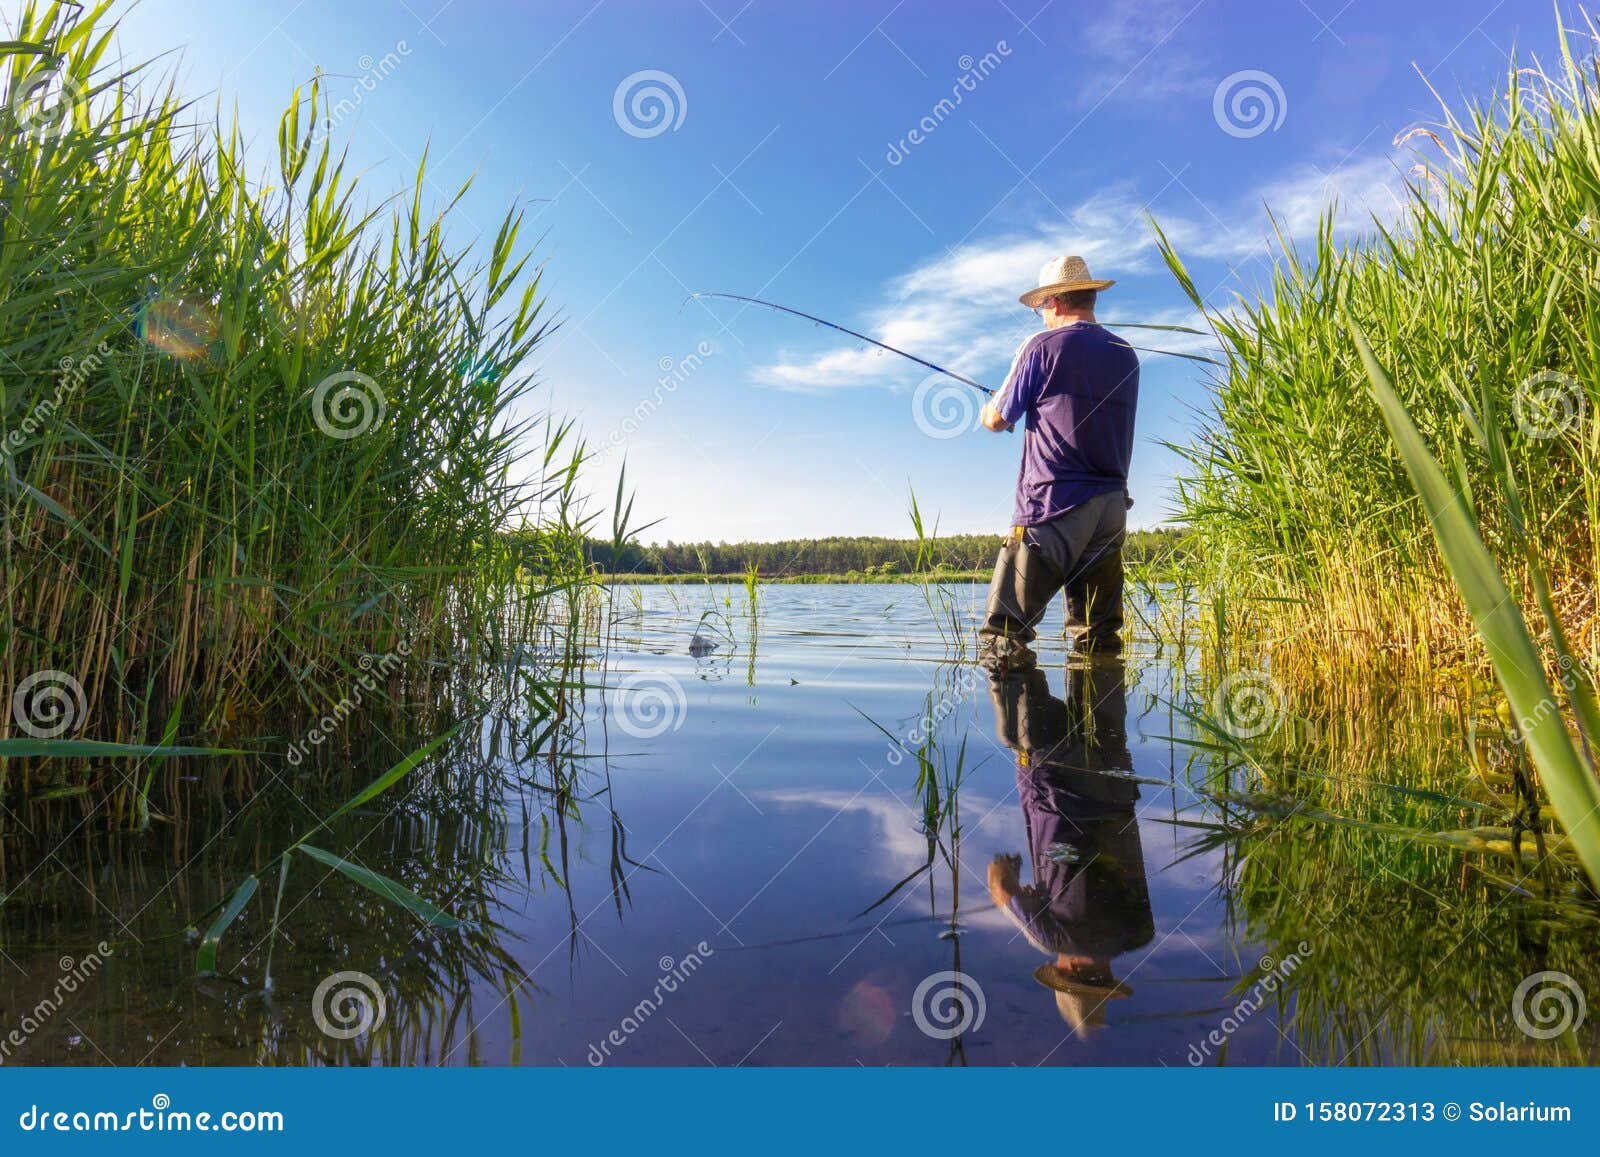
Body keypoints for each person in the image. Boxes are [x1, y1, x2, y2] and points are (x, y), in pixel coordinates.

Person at [977, 255, 1139, 673]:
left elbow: (998, 419)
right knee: (1097, 640)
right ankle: (1101, 736)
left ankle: (1023, 737)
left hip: (1052, 505)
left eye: (1041, 307)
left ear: (1056, 301)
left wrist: (989, 407)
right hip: (1110, 508)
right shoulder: (1126, 353)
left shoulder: (1041, 346)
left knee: (1003, 639)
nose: (1041, 316)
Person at [986, 661, 1153, 1039]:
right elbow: (1000, 886)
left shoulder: (1141, 932)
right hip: (1058, 784)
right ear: (1071, 970)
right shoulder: (1051, 939)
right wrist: (1007, 867)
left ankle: (1095, 622)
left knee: (1095, 660)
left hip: (1116, 782)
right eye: (1059, 968)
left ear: (1107, 976)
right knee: (1010, 671)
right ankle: (1006, 635)